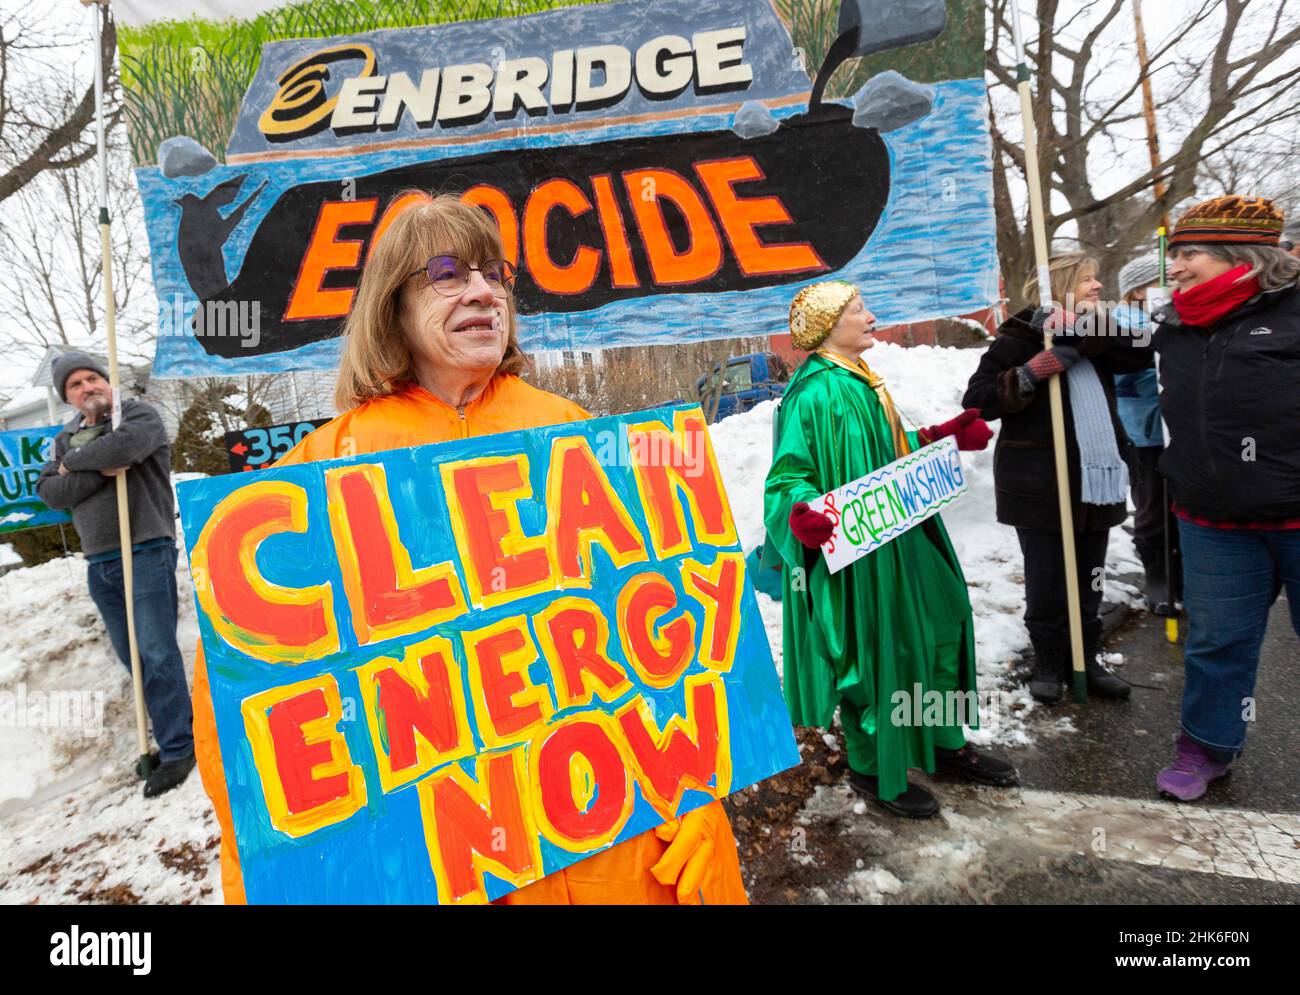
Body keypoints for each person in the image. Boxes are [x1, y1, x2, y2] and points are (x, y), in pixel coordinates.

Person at [191, 192, 746, 904]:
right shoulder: (316, 473)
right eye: (448, 273)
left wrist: (701, 785)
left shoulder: (577, 433)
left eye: (494, 272)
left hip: (609, 840)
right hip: (433, 859)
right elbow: (254, 722)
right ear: (392, 305)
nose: (484, 290)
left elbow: (663, 632)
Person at [763, 280, 1018, 820]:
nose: (872, 316)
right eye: (859, 310)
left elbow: (893, 453)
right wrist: (803, 513)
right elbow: (787, 479)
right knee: (877, 649)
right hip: (861, 554)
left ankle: (944, 742)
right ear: (831, 324)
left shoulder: (865, 382)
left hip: (908, 535)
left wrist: (944, 438)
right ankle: (875, 765)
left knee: (943, 619)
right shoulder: (812, 394)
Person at [1149, 195, 1300, 802]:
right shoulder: (1176, 323)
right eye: (1175, 253)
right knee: (1218, 639)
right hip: (1211, 518)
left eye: (1190, 254)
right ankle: (1206, 748)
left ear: (1241, 256)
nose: (1176, 266)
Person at [963, 253, 1150, 704]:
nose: (1098, 286)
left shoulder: (1099, 330)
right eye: (1087, 279)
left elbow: (1142, 351)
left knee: (1090, 577)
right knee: (1047, 579)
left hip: (1095, 480)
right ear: (1062, 285)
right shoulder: (1021, 333)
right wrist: (1040, 367)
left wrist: (1085, 333)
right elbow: (980, 399)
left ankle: (1086, 657)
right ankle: (1047, 660)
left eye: (1098, 278)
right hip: (1039, 481)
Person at [36, 351, 195, 798]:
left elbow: (123, 448)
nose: (87, 387)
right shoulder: (66, 438)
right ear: (66, 396)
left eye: (93, 378)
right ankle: (173, 731)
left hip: (145, 547)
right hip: (99, 561)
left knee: (157, 652)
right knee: (134, 658)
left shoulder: (139, 415)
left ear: (106, 381)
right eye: (75, 385)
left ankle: (180, 747)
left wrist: (77, 463)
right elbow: (50, 491)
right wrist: (92, 468)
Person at [1113, 254, 1181, 613]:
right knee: (1152, 506)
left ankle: (1185, 575)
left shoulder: (1179, 313)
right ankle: (1159, 577)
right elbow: (1117, 377)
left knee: (1183, 506)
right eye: (1164, 282)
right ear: (1139, 290)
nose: (1173, 288)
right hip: (1145, 434)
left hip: (1180, 431)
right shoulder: (1117, 323)